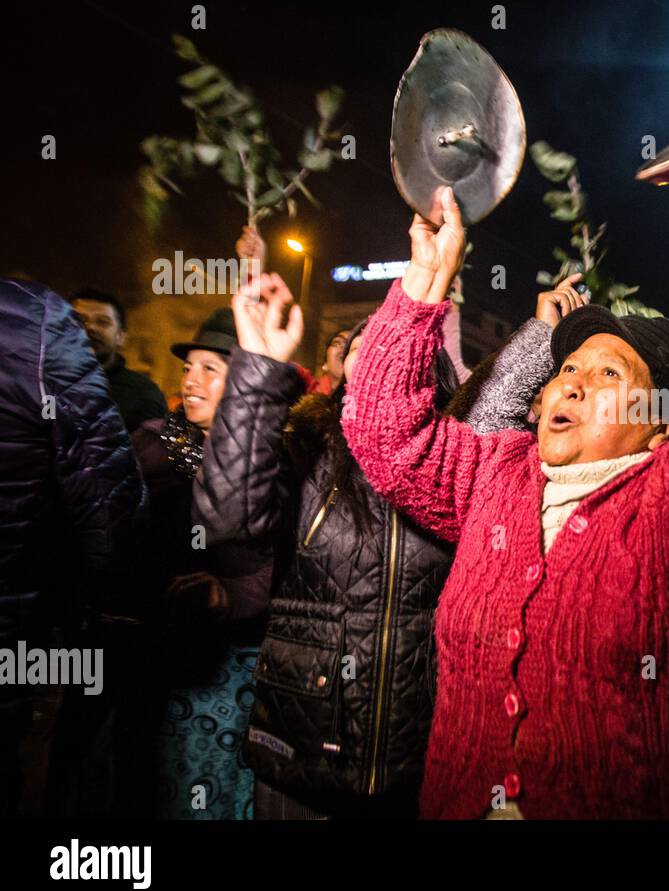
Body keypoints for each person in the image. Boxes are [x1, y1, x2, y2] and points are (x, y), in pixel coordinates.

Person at [341, 165, 669, 819]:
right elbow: (382, 433)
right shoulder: (498, 472)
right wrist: (423, 284)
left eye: (608, 372)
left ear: (662, 420)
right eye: (567, 367)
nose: (571, 383)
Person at [191, 271, 578, 819]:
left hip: (418, 761)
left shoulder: (450, 459)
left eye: (393, 337)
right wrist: (257, 365)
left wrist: (543, 333)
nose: (380, 345)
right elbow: (227, 518)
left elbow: (494, 401)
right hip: (305, 748)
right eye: (363, 342)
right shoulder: (305, 444)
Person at [0, 279, 146, 818]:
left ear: (123, 334)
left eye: (101, 320)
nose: (88, 327)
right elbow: (114, 506)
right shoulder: (35, 332)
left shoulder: (146, 401)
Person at [127, 307, 271, 819]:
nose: (191, 379)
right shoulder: (153, 443)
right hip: (152, 648)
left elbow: (283, 564)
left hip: (231, 663)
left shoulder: (273, 461)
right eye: (190, 367)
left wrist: (229, 595)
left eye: (211, 368)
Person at [70, 288, 167, 431]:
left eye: (102, 322)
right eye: (79, 320)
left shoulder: (143, 393)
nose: (90, 328)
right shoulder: (37, 383)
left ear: (121, 337)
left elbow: (151, 449)